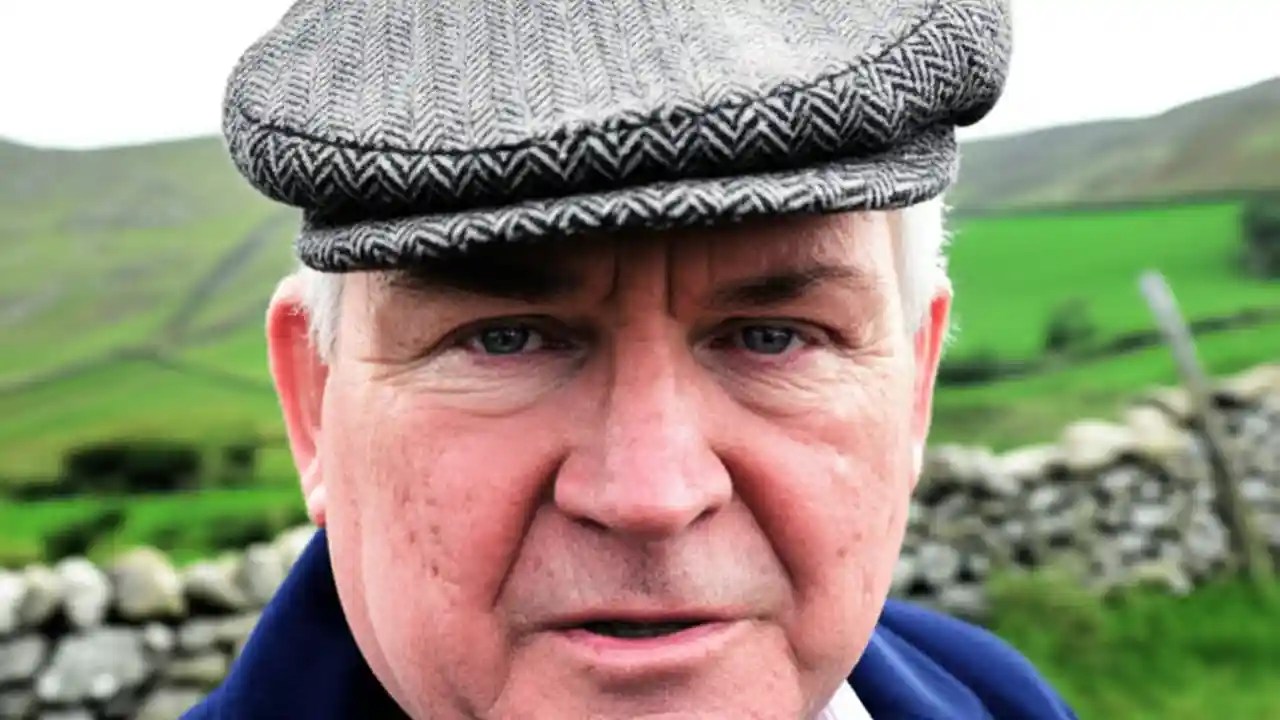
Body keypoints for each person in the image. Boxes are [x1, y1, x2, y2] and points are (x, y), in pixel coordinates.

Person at [188, 0, 1078, 717]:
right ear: (315, 406)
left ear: (914, 385)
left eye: (773, 338)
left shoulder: (994, 699)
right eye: (506, 338)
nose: (652, 495)